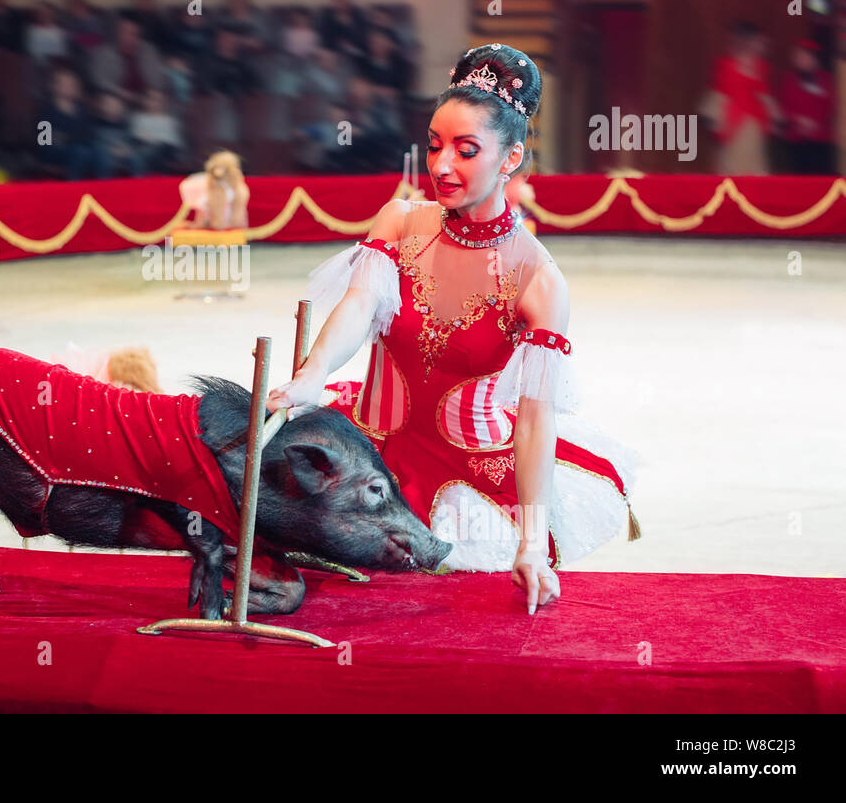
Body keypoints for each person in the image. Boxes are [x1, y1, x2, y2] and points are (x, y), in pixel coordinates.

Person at [266, 44, 639, 614]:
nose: (441, 166)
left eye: (466, 151)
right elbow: (360, 304)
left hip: (468, 483)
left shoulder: (538, 280)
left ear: (511, 158)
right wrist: (311, 375)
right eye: (435, 145)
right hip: (369, 454)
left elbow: (535, 419)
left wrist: (531, 542)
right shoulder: (400, 220)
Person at [703, 21, 778, 175]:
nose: (763, 44)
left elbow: (765, 94)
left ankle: (753, 197)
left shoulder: (761, 67)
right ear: (748, 41)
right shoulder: (727, 65)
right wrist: (713, 117)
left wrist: (776, 116)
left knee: (755, 161)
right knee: (732, 162)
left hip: (754, 121)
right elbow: (720, 92)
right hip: (733, 121)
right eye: (760, 40)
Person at [775, 39, 836, 175]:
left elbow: (830, 105)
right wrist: (798, 121)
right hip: (797, 139)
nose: (799, 60)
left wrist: (815, 123)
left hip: (821, 139)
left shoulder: (826, 79)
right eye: (797, 56)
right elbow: (783, 107)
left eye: (803, 56)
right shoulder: (788, 79)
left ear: (814, 59)